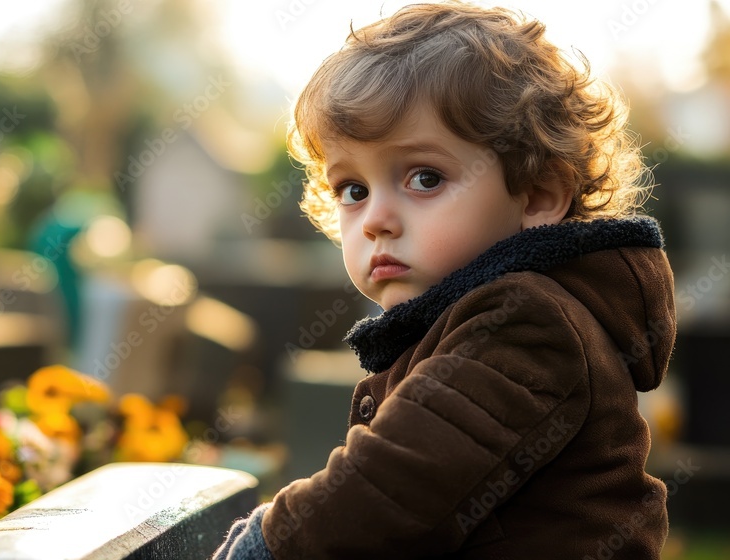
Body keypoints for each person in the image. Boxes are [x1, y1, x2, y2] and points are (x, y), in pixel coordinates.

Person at [212, 1, 676, 558]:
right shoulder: (473, 314)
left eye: (424, 177)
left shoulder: (527, 320)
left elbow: (399, 478)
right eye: (353, 190)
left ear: (537, 195)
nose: (377, 219)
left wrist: (275, 539)